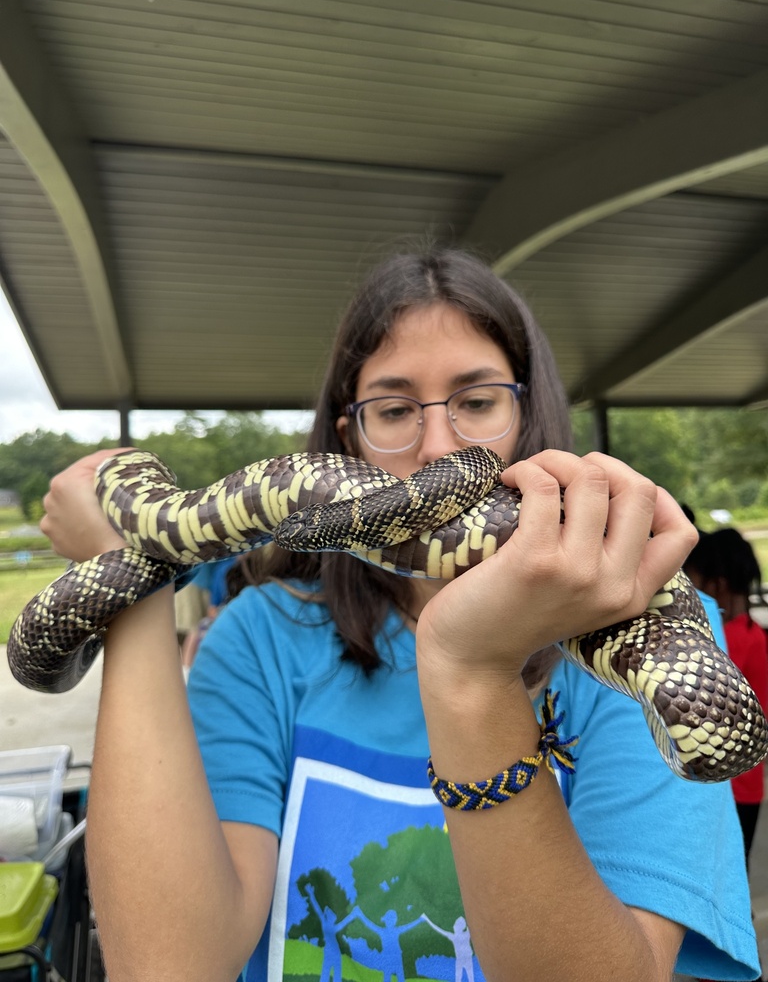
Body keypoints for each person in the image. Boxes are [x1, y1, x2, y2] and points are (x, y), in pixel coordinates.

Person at [39, 249, 759, 982]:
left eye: (477, 402)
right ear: (347, 438)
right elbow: (167, 969)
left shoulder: (633, 610)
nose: (439, 443)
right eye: (393, 409)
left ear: (529, 411)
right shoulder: (263, 637)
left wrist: (471, 668)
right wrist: (127, 582)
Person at [685, 528, 768, 871]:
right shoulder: (754, 634)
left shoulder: (724, 643)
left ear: (716, 584)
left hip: (725, 787)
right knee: (736, 872)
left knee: (722, 871)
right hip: (747, 786)